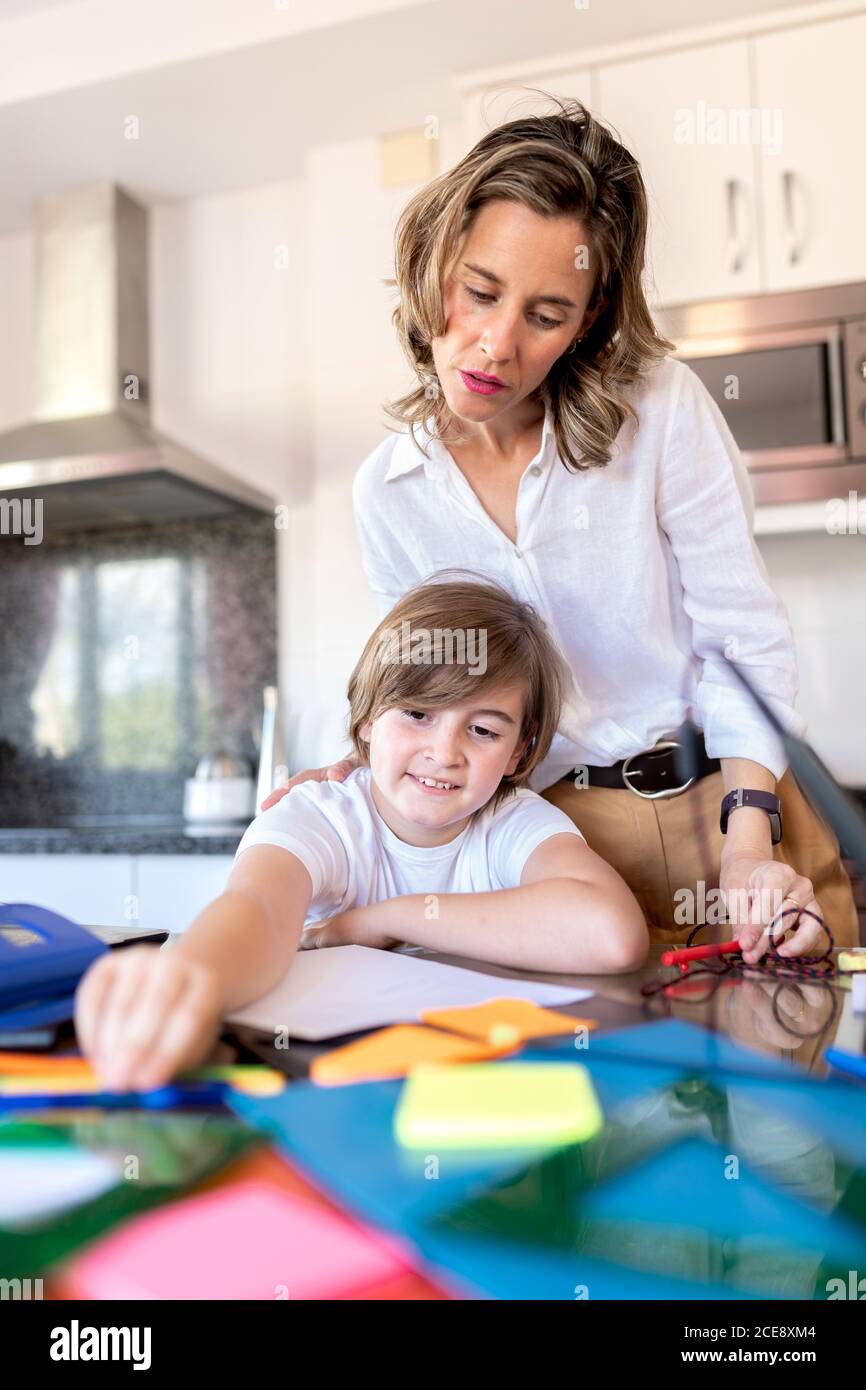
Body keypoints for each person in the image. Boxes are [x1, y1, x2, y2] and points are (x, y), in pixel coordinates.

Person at [266, 95, 858, 957]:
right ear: (435, 267)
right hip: (556, 846)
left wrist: (746, 851)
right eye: (479, 292)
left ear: (587, 325)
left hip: (734, 808)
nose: (495, 344)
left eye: (545, 315)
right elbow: (441, 689)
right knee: (593, 1085)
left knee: (783, 1068)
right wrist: (360, 771)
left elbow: (740, 641)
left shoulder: (659, 413)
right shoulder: (389, 495)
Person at [75, 578, 648, 1092]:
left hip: (462, 1083)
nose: (444, 753)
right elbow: (258, 910)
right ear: (367, 719)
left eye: (481, 730)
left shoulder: (510, 819)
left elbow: (611, 934)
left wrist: (379, 919)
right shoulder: (319, 816)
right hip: (321, 1081)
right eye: (418, 714)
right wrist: (189, 980)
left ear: (519, 751)